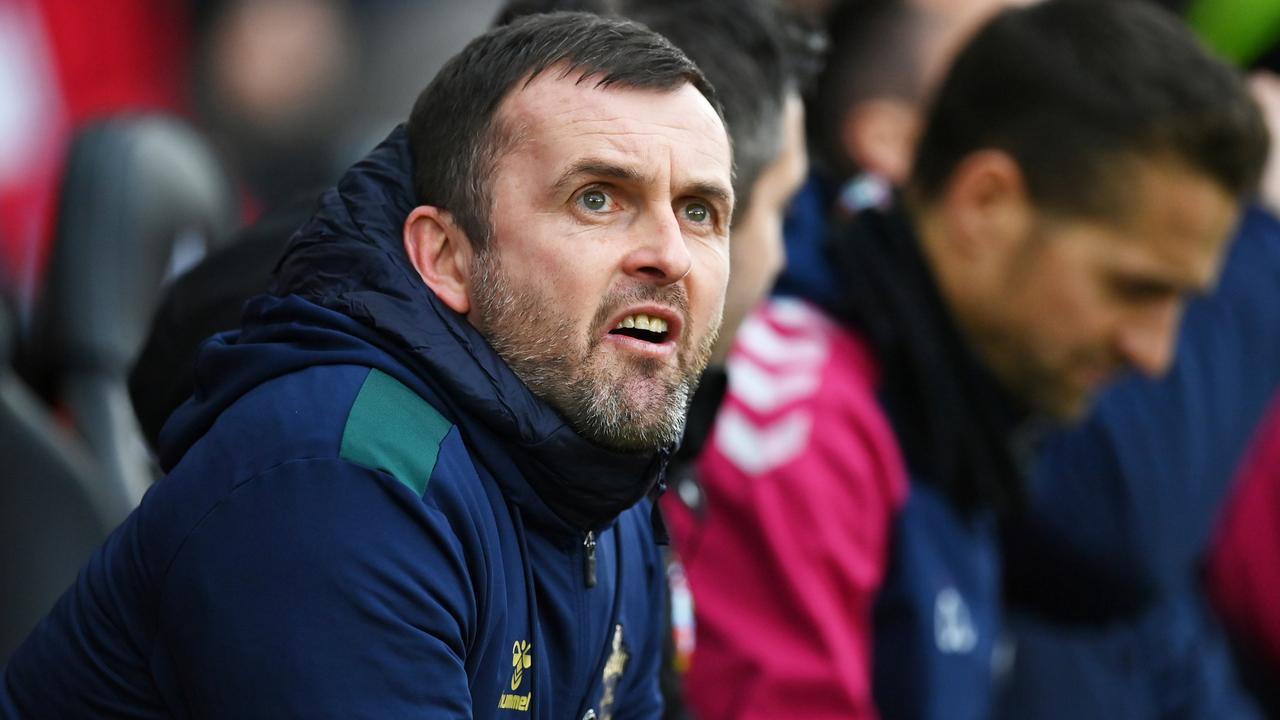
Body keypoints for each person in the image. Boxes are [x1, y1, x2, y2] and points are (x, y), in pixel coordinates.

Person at [1, 11, 734, 718]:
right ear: (446, 257)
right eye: (598, 199)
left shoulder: (608, 477)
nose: (669, 253)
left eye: (699, 211)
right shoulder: (340, 476)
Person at [660, 1, 1268, 718]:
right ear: (985, 203)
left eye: (1182, 305)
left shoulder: (968, 411)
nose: (1156, 353)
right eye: (1133, 288)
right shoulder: (801, 426)